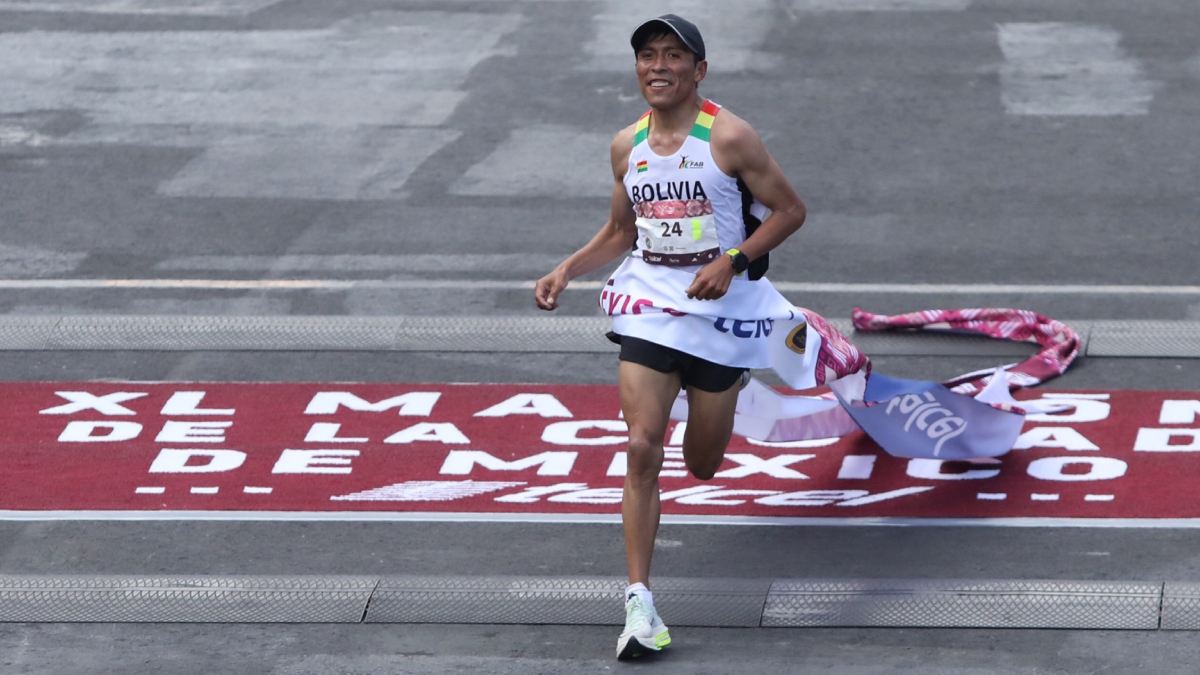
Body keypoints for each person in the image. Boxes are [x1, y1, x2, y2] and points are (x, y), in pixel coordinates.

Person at [534, 13, 807, 660]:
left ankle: (721, 383)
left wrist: (732, 261)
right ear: (637, 70)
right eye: (647, 56)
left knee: (702, 464)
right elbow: (622, 233)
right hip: (653, 300)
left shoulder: (729, 136)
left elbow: (791, 211)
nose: (659, 66)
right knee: (640, 446)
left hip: (723, 306)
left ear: (698, 71)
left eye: (674, 57)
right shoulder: (626, 144)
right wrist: (567, 268)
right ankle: (639, 601)